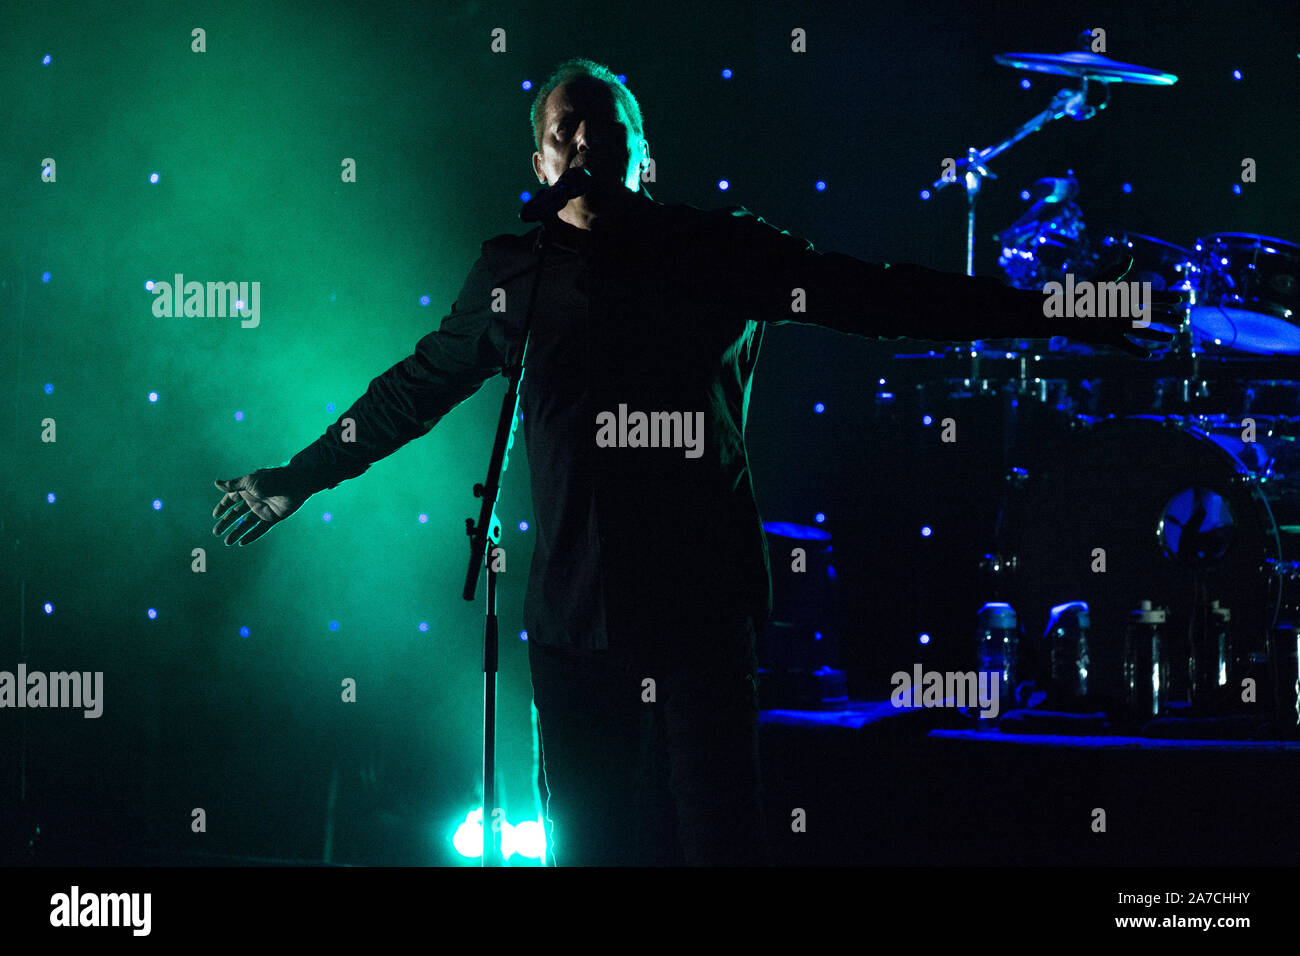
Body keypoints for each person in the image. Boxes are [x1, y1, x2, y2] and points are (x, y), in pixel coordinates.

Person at [212, 58, 1174, 866]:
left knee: (718, 841)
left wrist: (1058, 310)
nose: (584, 143)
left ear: (642, 150)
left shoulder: (719, 253)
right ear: (538, 157)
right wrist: (297, 476)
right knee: (590, 844)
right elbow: (414, 388)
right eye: (565, 130)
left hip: (701, 607)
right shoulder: (515, 273)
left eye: (604, 126)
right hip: (576, 617)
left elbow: (878, 297)